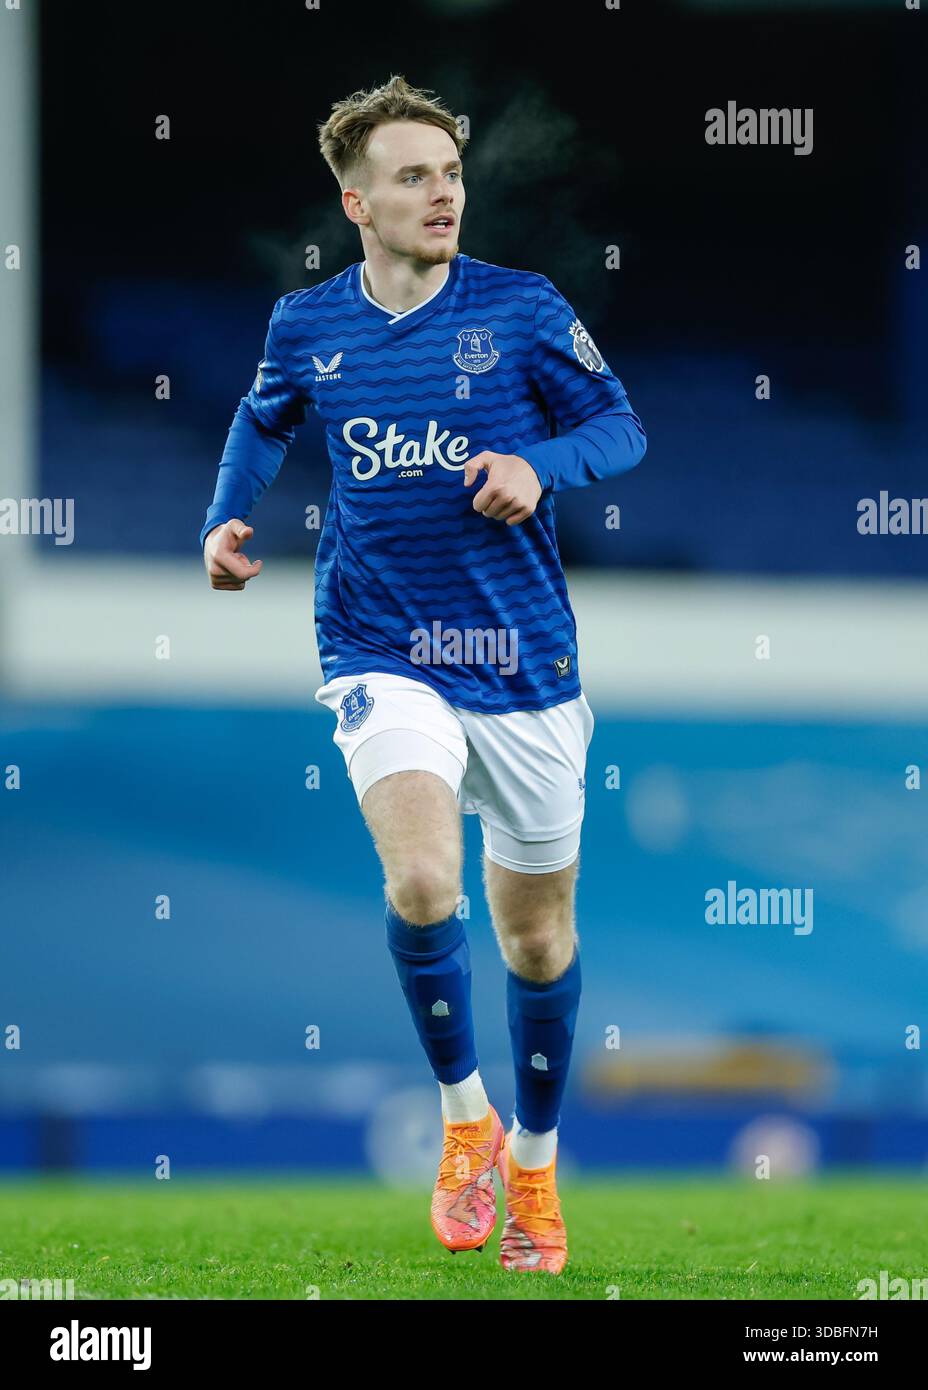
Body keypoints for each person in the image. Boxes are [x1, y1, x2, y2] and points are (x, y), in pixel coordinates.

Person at [199, 74, 646, 1274]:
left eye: (450, 174)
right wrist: (223, 521)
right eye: (412, 176)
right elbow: (261, 417)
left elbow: (621, 428)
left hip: (522, 661)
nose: (441, 193)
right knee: (417, 877)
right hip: (380, 646)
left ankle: (537, 1164)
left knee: (539, 943)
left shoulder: (525, 307)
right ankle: (464, 1123)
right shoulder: (308, 324)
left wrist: (541, 465)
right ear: (357, 202)